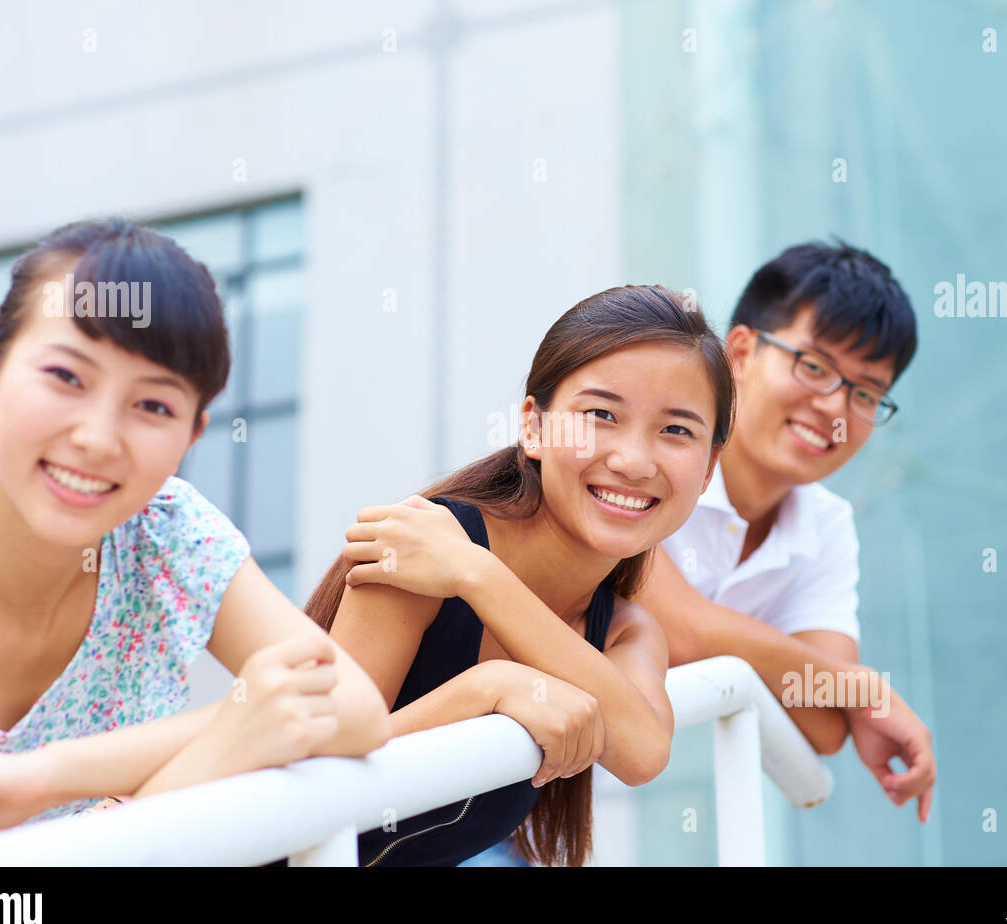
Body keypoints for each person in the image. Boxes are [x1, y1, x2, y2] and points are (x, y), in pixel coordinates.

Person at [0, 219, 390, 854]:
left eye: (152, 406)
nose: (98, 438)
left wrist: (43, 776)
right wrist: (223, 740)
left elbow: (354, 709)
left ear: (191, 436)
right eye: (67, 377)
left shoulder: (166, 535)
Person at [303, 285, 735, 866]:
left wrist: (479, 576)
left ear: (708, 469)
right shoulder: (418, 550)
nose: (634, 460)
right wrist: (485, 690)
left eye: (676, 430)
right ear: (533, 426)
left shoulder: (624, 629)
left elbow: (643, 750)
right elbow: (310, 783)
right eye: (601, 414)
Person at [635, 241, 938, 822]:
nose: (835, 407)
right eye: (816, 367)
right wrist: (862, 688)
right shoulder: (654, 443)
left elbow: (822, 726)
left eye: (867, 393)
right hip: (438, 734)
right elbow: (683, 631)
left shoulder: (825, 526)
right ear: (741, 353)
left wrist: (841, 690)